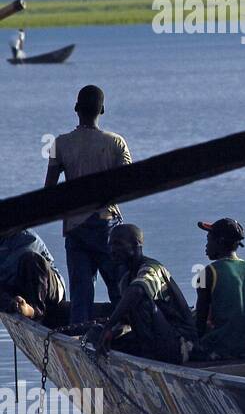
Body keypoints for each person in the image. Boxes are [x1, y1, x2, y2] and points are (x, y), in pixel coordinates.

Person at [44, 85, 132, 323]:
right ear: (102, 110)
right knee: (119, 288)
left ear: (75, 109)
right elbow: (128, 185)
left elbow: (49, 191)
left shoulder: (59, 144)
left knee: (81, 294)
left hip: (76, 228)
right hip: (107, 226)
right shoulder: (116, 143)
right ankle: (125, 331)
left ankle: (79, 338)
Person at [94, 224, 196, 364]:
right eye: (110, 245)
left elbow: (138, 291)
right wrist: (110, 332)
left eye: (118, 244)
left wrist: (109, 325)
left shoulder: (152, 268)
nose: (112, 250)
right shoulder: (126, 279)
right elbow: (126, 319)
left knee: (141, 300)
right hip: (159, 338)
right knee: (97, 335)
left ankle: (149, 358)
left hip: (181, 343)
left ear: (136, 245)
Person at [193, 218, 245, 361]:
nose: (206, 246)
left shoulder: (207, 273)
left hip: (224, 349)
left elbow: (199, 323)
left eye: (209, 240)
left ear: (219, 242)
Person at [0, 228, 70, 328]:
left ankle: (34, 311)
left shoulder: (24, 237)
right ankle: (14, 305)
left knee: (31, 259)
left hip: (45, 289)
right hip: (16, 289)